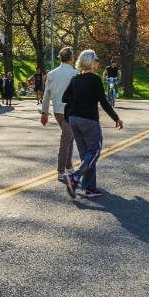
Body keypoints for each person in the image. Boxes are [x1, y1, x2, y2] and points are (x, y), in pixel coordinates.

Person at [63, 50, 123, 199]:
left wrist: (69, 116)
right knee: (95, 151)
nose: (98, 62)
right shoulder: (95, 80)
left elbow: (65, 98)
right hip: (89, 120)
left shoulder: (75, 79)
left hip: (74, 120)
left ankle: (90, 188)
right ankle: (74, 177)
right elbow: (103, 102)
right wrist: (116, 118)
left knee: (86, 155)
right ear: (89, 62)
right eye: (96, 60)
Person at [40, 47, 79, 180]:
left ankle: (68, 166)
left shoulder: (51, 74)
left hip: (57, 111)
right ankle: (61, 170)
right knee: (66, 138)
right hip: (70, 111)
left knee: (70, 136)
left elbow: (46, 95)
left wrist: (44, 112)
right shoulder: (75, 74)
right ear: (71, 58)